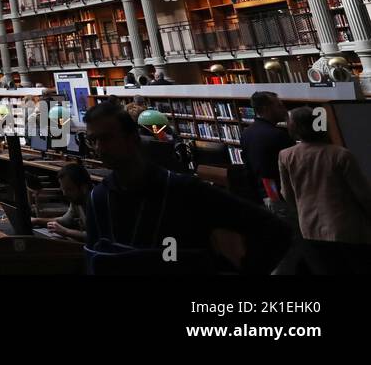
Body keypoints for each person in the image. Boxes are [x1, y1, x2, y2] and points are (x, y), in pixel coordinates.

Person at [82, 101, 289, 274]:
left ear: (133, 138)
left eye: (106, 138)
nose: (99, 148)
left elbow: (273, 229)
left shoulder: (184, 190)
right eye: (93, 140)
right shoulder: (97, 198)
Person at [278, 106, 371, 273]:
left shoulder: (285, 155)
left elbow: (286, 193)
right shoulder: (341, 155)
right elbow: (363, 194)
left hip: (309, 227)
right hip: (346, 227)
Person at [241, 91, 294, 209]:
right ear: (266, 109)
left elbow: (248, 168)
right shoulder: (278, 135)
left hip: (262, 195)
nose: (284, 110)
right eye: (279, 106)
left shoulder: (246, 133)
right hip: (282, 197)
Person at [30, 162, 92, 242]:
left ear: (84, 188)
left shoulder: (96, 202)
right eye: (63, 189)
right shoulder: (76, 199)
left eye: (69, 189)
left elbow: (95, 236)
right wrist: (36, 220)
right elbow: (65, 220)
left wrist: (66, 232)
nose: (65, 194)